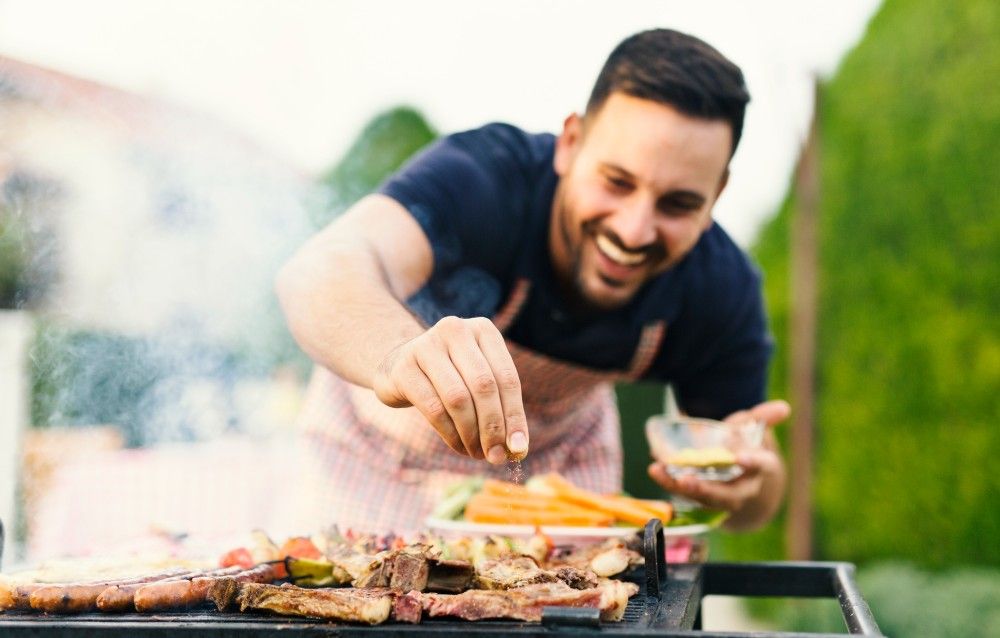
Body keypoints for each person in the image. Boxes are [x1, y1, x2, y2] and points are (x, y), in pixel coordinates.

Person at [277, 28, 789, 534]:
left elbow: (756, 500)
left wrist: (746, 487)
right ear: (570, 144)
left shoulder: (720, 286)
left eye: (678, 204)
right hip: (373, 465)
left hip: (558, 483)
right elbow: (320, 271)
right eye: (616, 182)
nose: (634, 231)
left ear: (716, 194)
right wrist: (397, 357)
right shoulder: (487, 179)